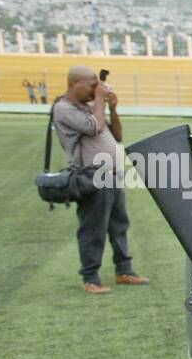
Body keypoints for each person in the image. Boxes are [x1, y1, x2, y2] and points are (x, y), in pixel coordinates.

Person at [51, 65, 148, 294]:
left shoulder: (87, 107)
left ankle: (124, 270)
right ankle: (91, 277)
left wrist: (112, 109)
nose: (97, 89)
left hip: (111, 176)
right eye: (92, 84)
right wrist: (100, 101)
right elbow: (94, 128)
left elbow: (117, 135)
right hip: (90, 177)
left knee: (119, 225)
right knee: (93, 228)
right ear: (75, 83)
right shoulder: (63, 108)